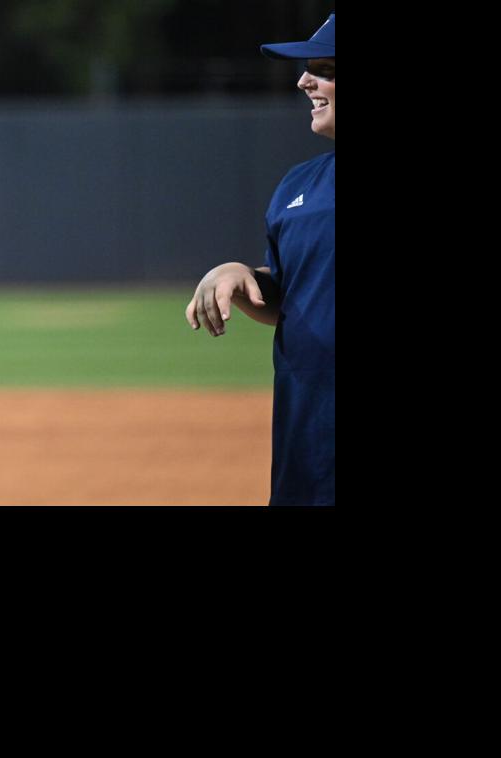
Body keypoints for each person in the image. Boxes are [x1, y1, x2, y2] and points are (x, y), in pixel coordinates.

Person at [186, 13, 334, 506]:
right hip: (306, 435)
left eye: (324, 68)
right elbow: (295, 296)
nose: (304, 81)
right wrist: (242, 276)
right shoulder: (300, 186)